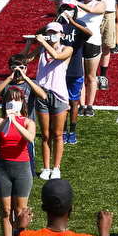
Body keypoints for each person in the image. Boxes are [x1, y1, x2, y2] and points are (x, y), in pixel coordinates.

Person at [0, 87, 37, 236]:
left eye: (17, 99)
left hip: (22, 169)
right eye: (10, 99)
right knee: (6, 210)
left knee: (21, 210)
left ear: (22, 102)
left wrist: (15, 121)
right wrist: (6, 120)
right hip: (3, 169)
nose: (14, 102)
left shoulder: (28, 122)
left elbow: (30, 138)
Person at [25, 23, 73, 180]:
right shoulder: (42, 49)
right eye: (49, 32)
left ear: (61, 34)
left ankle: (56, 167)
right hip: (42, 94)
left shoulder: (67, 49)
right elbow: (25, 60)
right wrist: (29, 45)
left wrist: (43, 42)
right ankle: (46, 167)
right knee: (45, 135)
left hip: (59, 96)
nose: (52, 35)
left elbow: (57, 56)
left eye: (55, 32)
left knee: (58, 135)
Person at [0, 54, 41, 177]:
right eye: (14, 67)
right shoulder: (5, 83)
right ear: (10, 68)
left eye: (22, 67)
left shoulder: (31, 83)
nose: (18, 70)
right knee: (7, 152)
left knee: (28, 160)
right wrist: (9, 78)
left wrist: (26, 78)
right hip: (9, 125)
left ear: (26, 68)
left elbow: (43, 95)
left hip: (26, 125)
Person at [52, 0, 91, 145]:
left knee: (73, 101)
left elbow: (89, 34)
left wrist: (73, 23)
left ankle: (72, 131)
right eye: (64, 8)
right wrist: (56, 21)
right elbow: (41, 33)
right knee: (61, 102)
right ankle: (62, 130)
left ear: (75, 10)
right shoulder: (57, 25)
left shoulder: (79, 24)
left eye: (69, 8)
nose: (66, 11)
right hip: (59, 69)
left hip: (74, 69)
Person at [75, 0, 105, 118]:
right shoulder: (77, 4)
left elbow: (92, 10)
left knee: (91, 76)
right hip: (79, 43)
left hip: (93, 42)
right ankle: (81, 105)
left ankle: (90, 105)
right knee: (80, 76)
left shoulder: (100, 4)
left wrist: (74, 3)